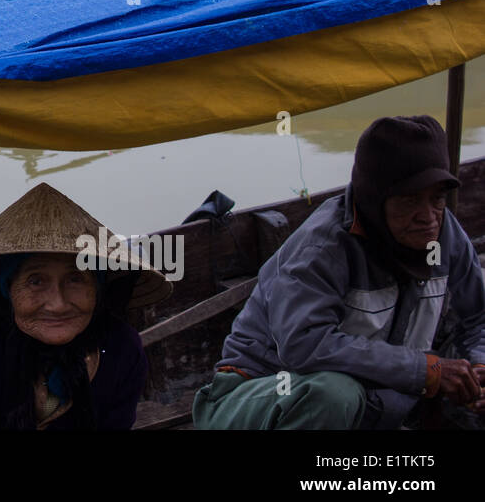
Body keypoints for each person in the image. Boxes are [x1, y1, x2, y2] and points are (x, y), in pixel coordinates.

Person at [193, 115, 485, 429]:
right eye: (410, 200)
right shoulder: (323, 248)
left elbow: (477, 317)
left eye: (437, 199)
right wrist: (422, 369)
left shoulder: (442, 234)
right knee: (333, 395)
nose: (427, 217)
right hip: (260, 395)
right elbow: (304, 345)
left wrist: (479, 366)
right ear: (375, 199)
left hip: (374, 402)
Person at [0, 183, 171, 429]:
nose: (58, 304)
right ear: (7, 288)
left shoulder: (120, 348)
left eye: (75, 279)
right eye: (36, 281)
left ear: (97, 288)